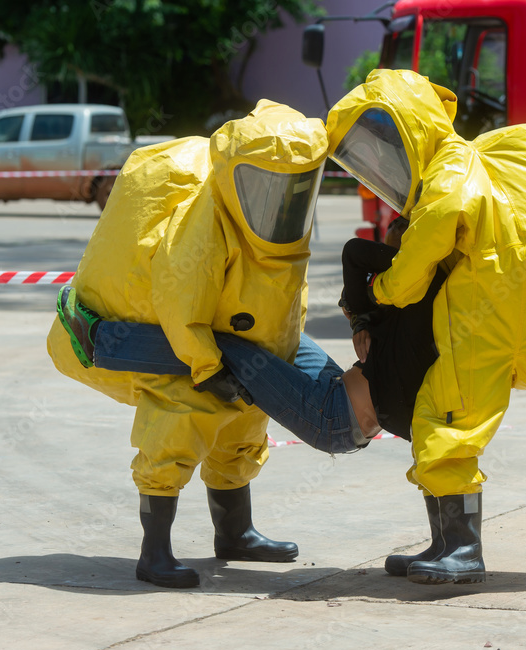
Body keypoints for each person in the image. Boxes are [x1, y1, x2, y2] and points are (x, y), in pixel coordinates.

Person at [324, 69, 526, 584]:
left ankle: (464, 550)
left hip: (480, 323)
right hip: (475, 316)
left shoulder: (449, 172)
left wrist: (381, 294)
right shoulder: (452, 166)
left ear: (412, 127)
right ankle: (444, 544)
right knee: (435, 418)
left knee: (447, 423)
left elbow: (420, 256)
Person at [45, 100, 328, 589]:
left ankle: (235, 534)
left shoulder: (286, 227)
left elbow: (288, 295)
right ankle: (154, 553)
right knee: (175, 433)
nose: (282, 194)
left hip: (255, 354)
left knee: (242, 436)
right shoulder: (208, 222)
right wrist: (207, 366)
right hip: (192, 359)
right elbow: (181, 302)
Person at [55, 217, 441, 454]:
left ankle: (99, 342)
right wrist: (361, 320)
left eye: (398, 234)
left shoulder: (429, 284)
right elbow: (358, 260)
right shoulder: (414, 296)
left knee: (217, 347)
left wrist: (363, 314)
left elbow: (357, 252)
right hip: (334, 386)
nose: (391, 234)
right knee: (273, 334)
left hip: (333, 418)